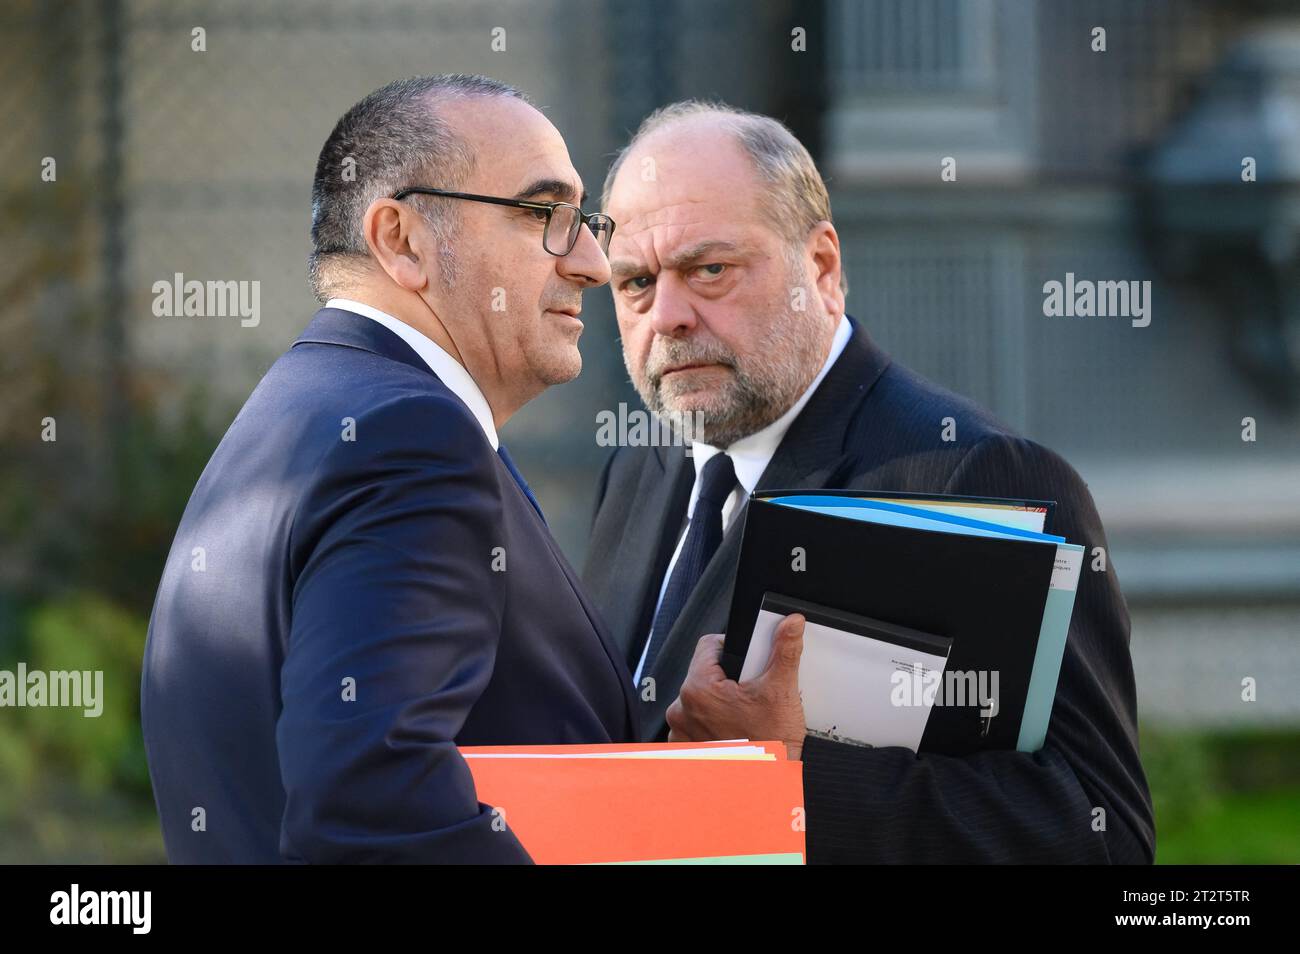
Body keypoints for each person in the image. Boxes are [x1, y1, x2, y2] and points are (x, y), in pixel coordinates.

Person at [583, 101, 1155, 863]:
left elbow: (1098, 831)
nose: (669, 316)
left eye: (709, 269)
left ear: (820, 268)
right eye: (635, 284)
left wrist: (790, 776)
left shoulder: (976, 476)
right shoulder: (637, 471)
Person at [142, 74, 634, 863]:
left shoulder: (303, 414)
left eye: (587, 220)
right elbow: (373, 812)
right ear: (401, 240)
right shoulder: (411, 439)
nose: (593, 262)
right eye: (545, 214)